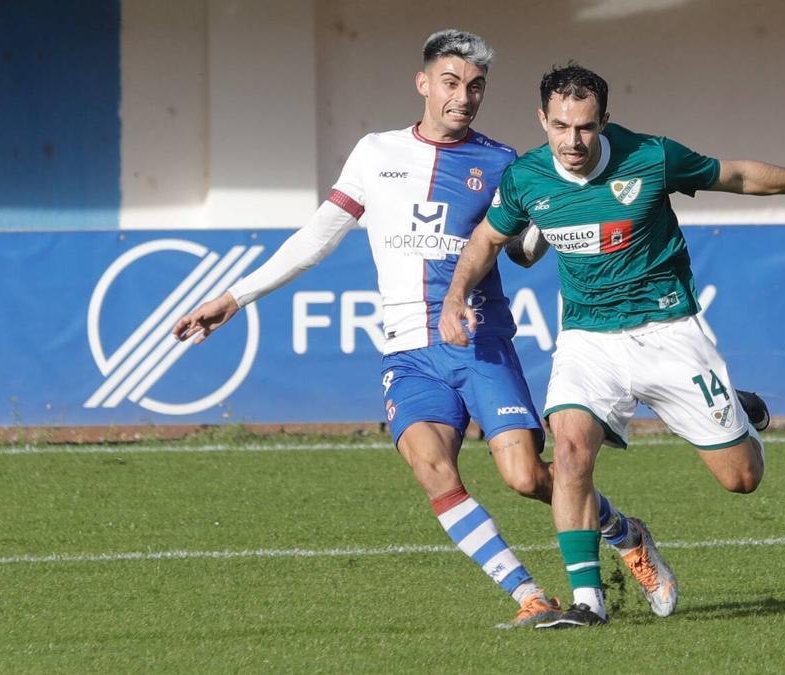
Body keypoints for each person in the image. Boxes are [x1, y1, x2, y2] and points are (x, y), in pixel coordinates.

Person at [172, 33, 675, 629]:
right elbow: (317, 237)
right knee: (433, 467)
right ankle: (529, 596)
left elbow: (526, 254)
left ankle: (623, 531)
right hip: (409, 353)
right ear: (424, 83)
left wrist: (554, 212)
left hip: (480, 343)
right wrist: (235, 296)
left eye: (476, 86)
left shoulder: (502, 162)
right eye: (451, 82)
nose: (464, 96)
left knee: (525, 477)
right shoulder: (373, 153)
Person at [439, 63, 785, 629]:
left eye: (584, 127)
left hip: (669, 333)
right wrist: (457, 296)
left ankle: (740, 414)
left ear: (604, 121)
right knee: (572, 450)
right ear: (542, 120)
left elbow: (739, 176)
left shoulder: (650, 157)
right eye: (559, 127)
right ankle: (588, 602)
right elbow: (489, 238)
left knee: (740, 479)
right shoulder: (528, 178)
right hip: (589, 338)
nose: (572, 141)